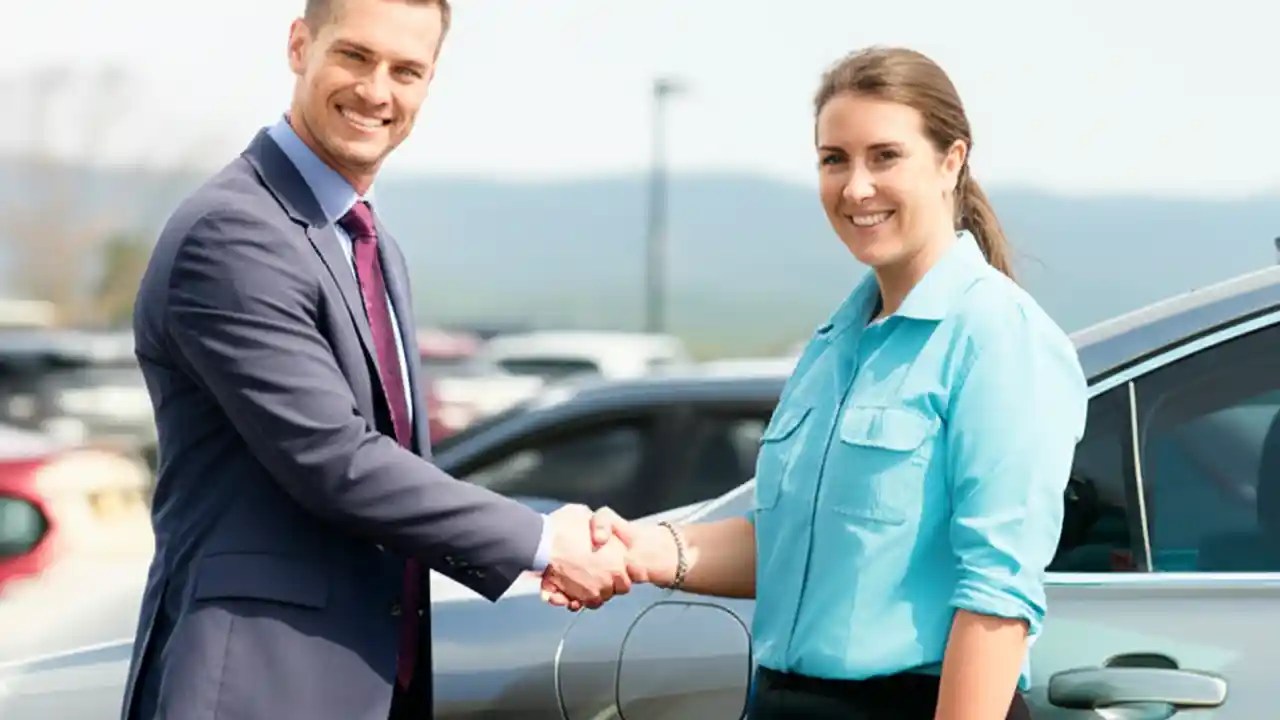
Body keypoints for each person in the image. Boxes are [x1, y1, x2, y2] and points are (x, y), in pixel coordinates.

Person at [122, 1, 628, 719]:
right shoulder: (234, 233)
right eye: (354, 57)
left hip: (364, 681)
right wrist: (546, 542)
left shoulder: (367, 239)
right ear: (300, 46)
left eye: (407, 70)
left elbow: (398, 470)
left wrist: (555, 526)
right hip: (258, 686)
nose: (377, 91)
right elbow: (335, 460)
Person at [580, 46, 1087, 719]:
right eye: (834, 159)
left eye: (885, 156)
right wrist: (642, 549)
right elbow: (788, 540)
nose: (855, 187)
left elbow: (995, 599)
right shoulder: (834, 343)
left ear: (951, 161)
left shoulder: (999, 338)